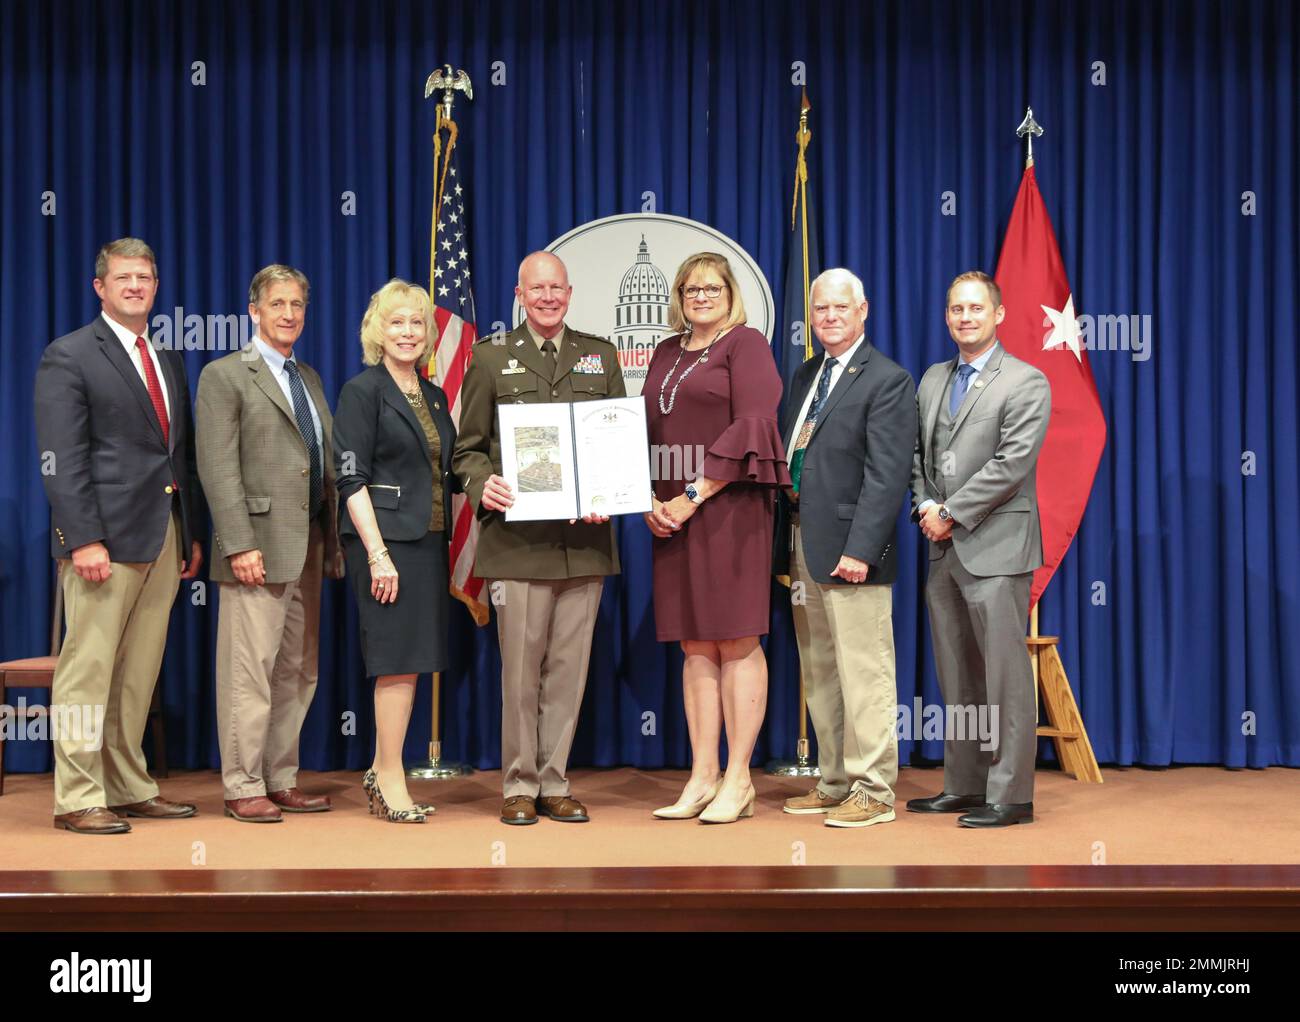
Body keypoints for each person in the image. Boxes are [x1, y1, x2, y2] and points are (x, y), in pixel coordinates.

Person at [34, 238, 203, 834]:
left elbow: (173, 456)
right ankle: (78, 795)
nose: (136, 285)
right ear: (99, 286)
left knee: (137, 672)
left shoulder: (168, 359)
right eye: (124, 277)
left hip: (163, 538)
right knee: (88, 670)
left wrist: (190, 533)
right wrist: (82, 538)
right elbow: (61, 456)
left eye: (146, 277)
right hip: (101, 543)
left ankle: (127, 784)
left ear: (156, 287)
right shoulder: (71, 355)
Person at [453, 251, 625, 826]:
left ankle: (555, 782)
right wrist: (484, 486)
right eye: (537, 289)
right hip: (517, 543)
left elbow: (615, 443)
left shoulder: (600, 357)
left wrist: (608, 493)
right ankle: (519, 784)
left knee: (568, 672)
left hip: (585, 543)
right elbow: (467, 450)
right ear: (520, 294)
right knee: (520, 674)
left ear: (570, 294)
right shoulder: (489, 358)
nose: (548, 297)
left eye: (557, 288)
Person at [643, 252, 790, 824]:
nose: (700, 296)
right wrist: (647, 498)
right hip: (672, 514)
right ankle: (703, 775)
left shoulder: (745, 344)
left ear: (730, 293)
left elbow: (754, 426)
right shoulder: (664, 350)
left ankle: (738, 778)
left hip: (730, 511)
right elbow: (643, 428)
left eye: (711, 287)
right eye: (689, 289)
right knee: (695, 644)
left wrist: (692, 496)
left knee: (735, 642)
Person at [196, 264, 343, 823]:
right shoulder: (226, 375)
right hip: (256, 546)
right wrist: (238, 543)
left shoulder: (309, 376)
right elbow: (217, 467)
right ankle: (241, 784)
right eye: (277, 304)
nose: (288, 315)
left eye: (297, 305)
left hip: (306, 542)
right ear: (253, 310)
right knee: (248, 669)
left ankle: (280, 777)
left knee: (297, 669)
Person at [906, 270, 1051, 827]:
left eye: (975, 309)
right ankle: (964, 785)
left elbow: (1011, 465)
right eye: (955, 310)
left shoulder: (1026, 381)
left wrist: (951, 512)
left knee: (1004, 676)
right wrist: (925, 506)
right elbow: (917, 456)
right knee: (957, 677)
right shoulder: (931, 379)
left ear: (998, 315)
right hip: (942, 549)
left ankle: (1011, 795)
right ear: (947, 317)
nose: (964, 318)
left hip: (998, 546)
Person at [774, 269, 917, 828]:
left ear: (864, 310)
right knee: (821, 668)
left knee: (865, 671)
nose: (829, 317)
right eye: (820, 309)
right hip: (803, 544)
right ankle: (834, 780)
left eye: (840, 307)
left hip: (853, 550)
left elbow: (888, 476)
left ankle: (874, 789)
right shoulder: (807, 373)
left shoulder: (886, 379)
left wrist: (862, 548)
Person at [333, 279, 459, 823]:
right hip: (383, 546)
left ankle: (386, 768)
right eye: (396, 322)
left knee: (412, 663)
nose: (408, 332)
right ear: (377, 331)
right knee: (396, 663)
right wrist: (378, 553)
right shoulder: (363, 391)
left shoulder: (432, 394)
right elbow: (349, 478)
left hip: (428, 542)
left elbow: (446, 473)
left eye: (416, 323)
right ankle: (387, 775)